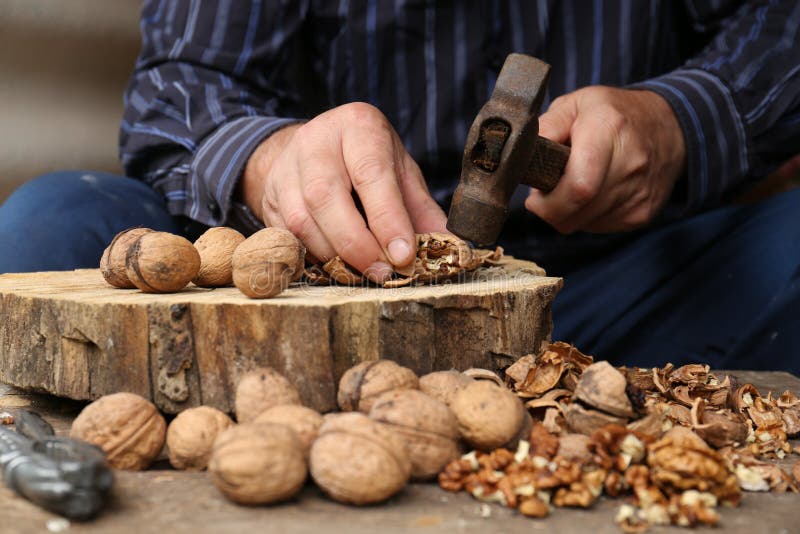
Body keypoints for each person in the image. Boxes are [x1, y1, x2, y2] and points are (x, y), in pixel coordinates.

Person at [1, 1, 798, 372]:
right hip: (315, 297)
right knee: (52, 224)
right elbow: (182, 80)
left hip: (602, 283)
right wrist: (272, 157)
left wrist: (685, 115)